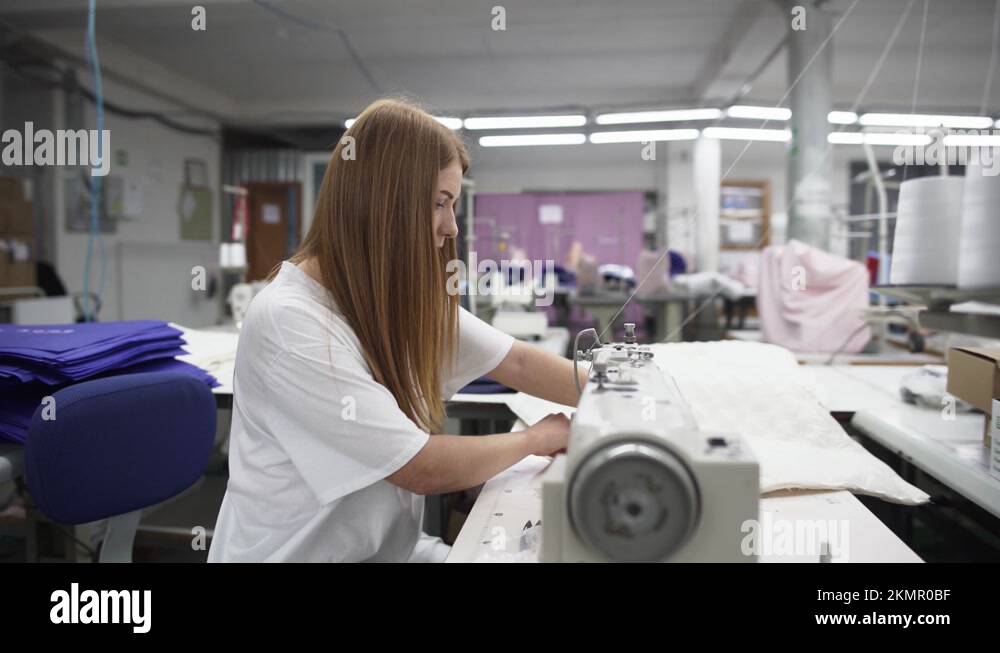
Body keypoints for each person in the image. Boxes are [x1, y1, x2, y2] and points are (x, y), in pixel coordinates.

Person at [208, 98, 582, 563]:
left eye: (454, 205)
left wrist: (611, 391)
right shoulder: (289, 321)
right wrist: (537, 438)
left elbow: (519, 362)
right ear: (385, 202)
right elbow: (418, 467)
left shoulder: (390, 298)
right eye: (439, 203)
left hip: (389, 553)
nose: (450, 227)